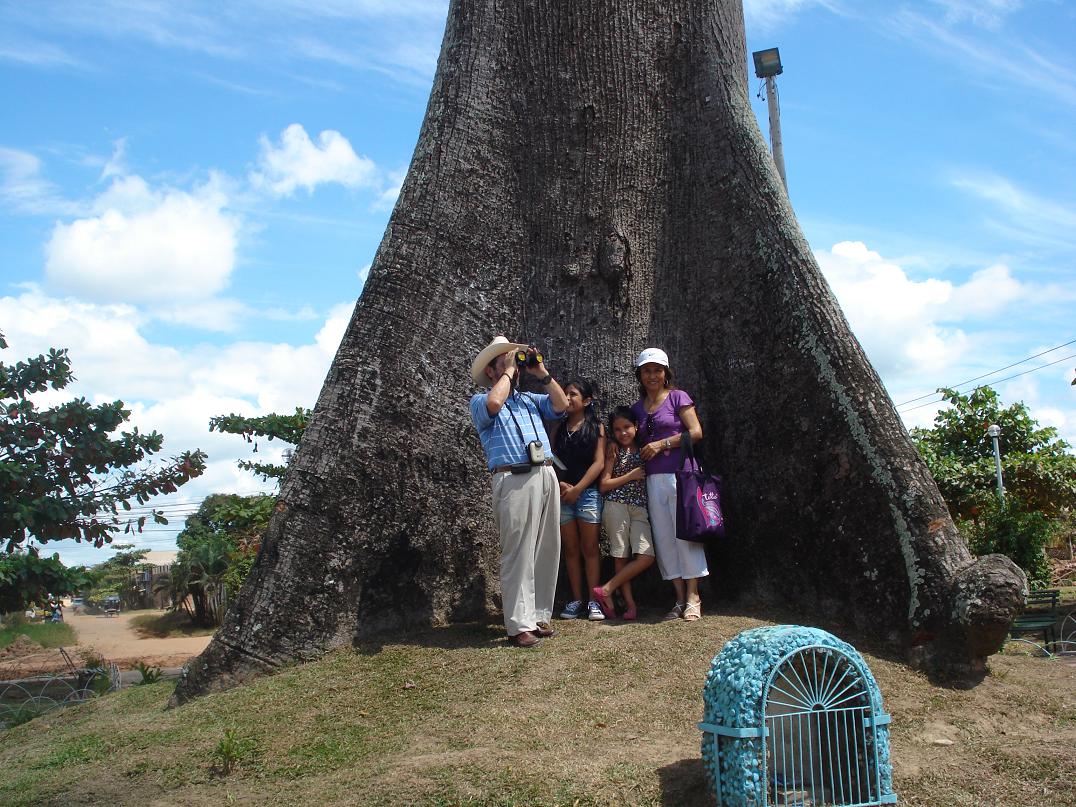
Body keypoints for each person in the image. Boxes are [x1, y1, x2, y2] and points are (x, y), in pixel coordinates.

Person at [469, 336, 569, 648]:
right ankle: (518, 625)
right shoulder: (480, 400)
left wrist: (542, 373)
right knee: (517, 552)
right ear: (490, 371)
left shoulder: (529, 399)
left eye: (514, 358)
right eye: (504, 360)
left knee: (547, 547)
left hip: (545, 473)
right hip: (512, 477)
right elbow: (494, 404)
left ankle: (538, 616)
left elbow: (562, 405)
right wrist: (510, 372)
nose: (513, 363)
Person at [630, 348, 707, 622]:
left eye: (657, 370)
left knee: (685, 534)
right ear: (640, 375)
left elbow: (696, 432)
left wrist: (661, 444)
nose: (652, 375)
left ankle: (693, 597)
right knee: (664, 538)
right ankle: (678, 598)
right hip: (653, 478)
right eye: (647, 371)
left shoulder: (677, 397)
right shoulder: (637, 409)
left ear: (665, 373)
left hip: (681, 474)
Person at [551, 380, 607, 621]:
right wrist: (561, 484)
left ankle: (594, 600)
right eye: (565, 394)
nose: (567, 398)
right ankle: (576, 599)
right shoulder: (558, 428)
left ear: (587, 401)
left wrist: (579, 488)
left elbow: (599, 463)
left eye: (573, 394)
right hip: (563, 495)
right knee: (571, 549)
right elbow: (549, 459)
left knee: (590, 548)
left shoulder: (597, 428)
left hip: (588, 494)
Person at [592, 406, 655, 620]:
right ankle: (630, 605)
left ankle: (607, 589)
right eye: (617, 429)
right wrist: (631, 476)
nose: (623, 433)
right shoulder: (614, 450)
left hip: (639, 507)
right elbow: (604, 484)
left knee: (646, 556)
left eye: (627, 427)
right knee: (620, 556)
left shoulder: (644, 449)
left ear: (636, 426)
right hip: (616, 505)